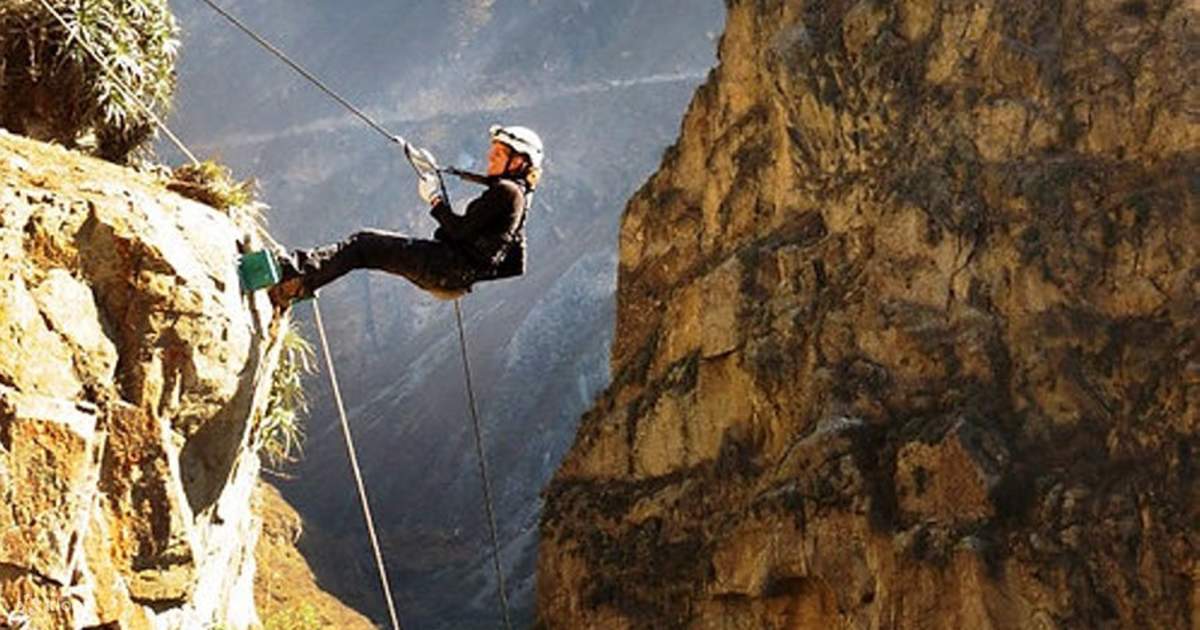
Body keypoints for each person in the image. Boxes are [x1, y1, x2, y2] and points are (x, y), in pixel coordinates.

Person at [268, 124, 544, 308]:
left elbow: (460, 230)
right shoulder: (516, 194)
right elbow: (487, 243)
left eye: (498, 154)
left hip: (446, 266)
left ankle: (290, 274)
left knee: (362, 246)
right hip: (453, 272)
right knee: (365, 249)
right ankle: (296, 284)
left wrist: (435, 201)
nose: (489, 158)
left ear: (519, 162)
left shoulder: (508, 193)